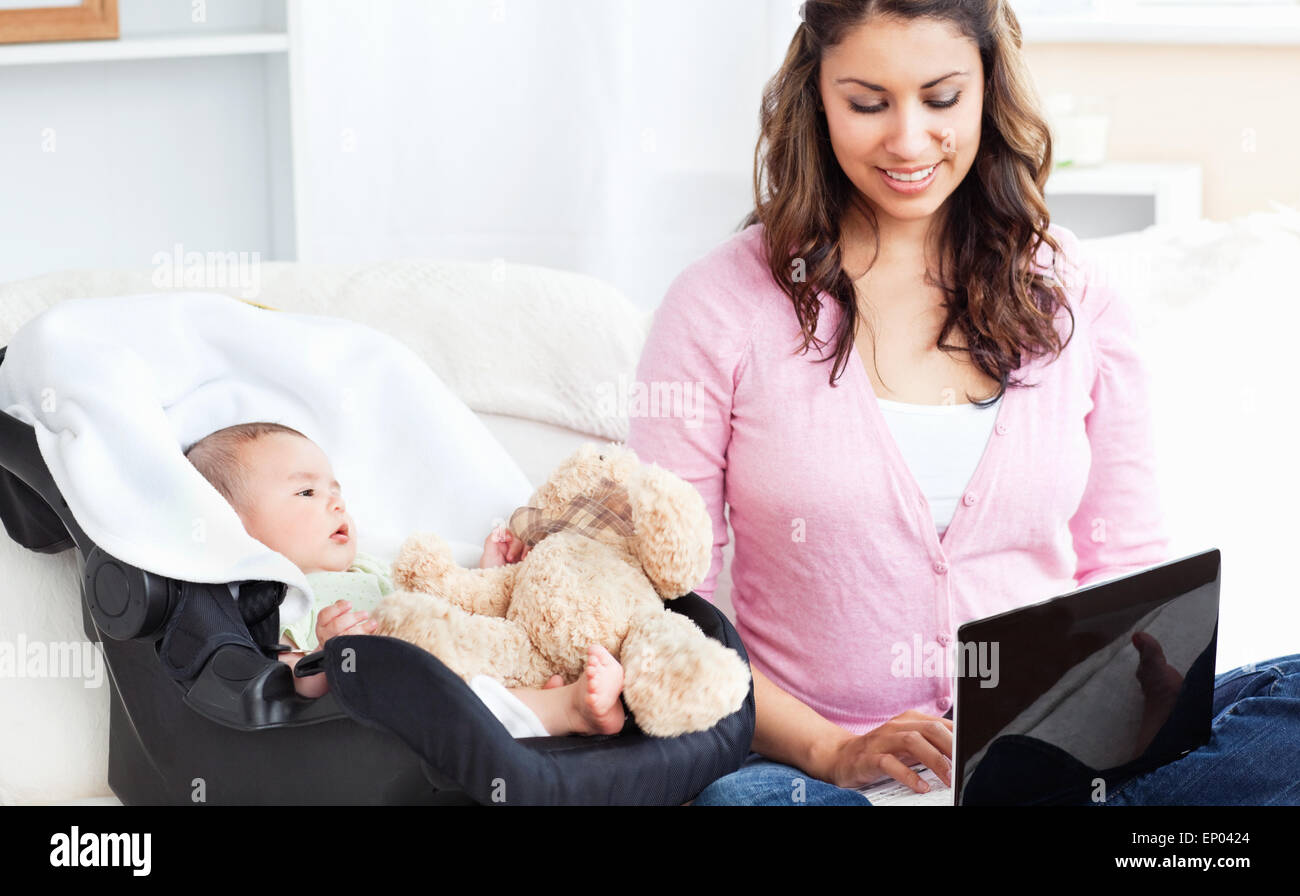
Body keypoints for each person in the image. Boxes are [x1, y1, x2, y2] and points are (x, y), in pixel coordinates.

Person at [628, 0, 1300, 805]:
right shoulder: (718, 306)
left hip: (1045, 753)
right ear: (816, 96)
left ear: (988, 88)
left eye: (941, 99)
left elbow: (1124, 564)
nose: (908, 141)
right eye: (867, 103)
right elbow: (672, 612)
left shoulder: (1071, 292)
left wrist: (1142, 700)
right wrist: (835, 750)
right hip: (806, 763)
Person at [184, 421, 626, 738]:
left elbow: (447, 607)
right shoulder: (280, 601)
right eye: (307, 493)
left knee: (485, 668)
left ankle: (547, 697)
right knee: (459, 699)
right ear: (235, 527)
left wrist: (490, 575)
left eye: (337, 493)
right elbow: (291, 688)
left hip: (455, 661)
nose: (337, 505)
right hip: (400, 713)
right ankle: (564, 710)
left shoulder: (373, 569)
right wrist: (327, 653)